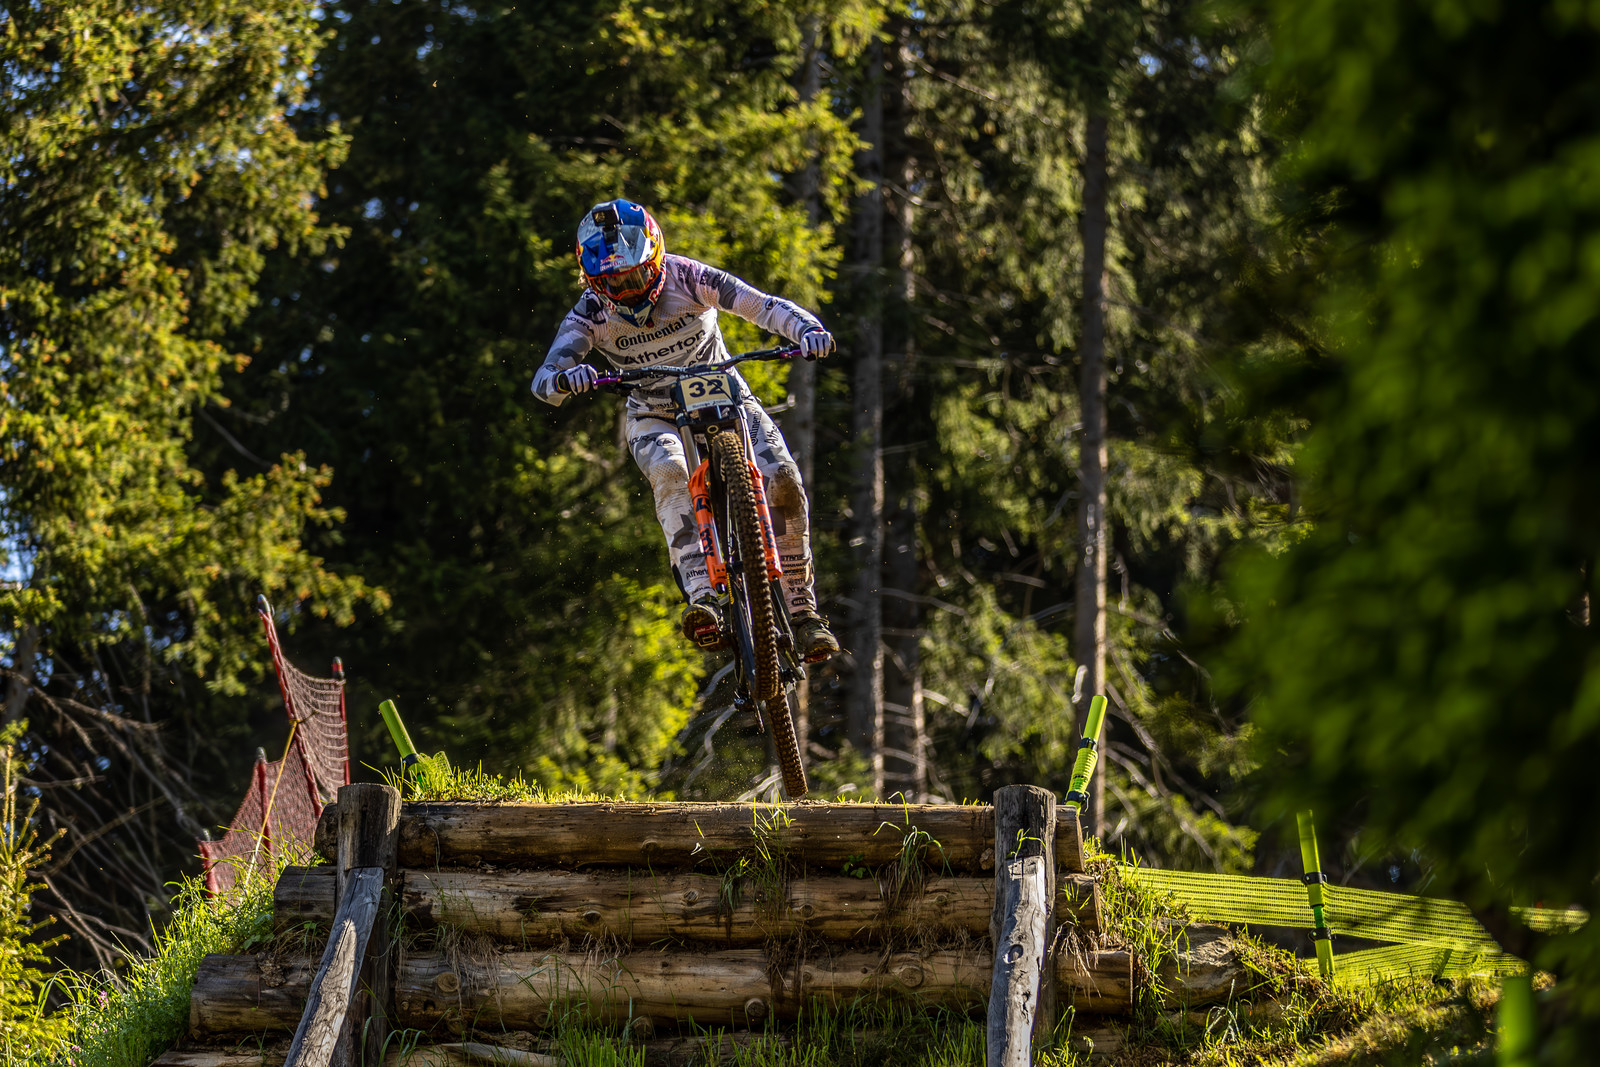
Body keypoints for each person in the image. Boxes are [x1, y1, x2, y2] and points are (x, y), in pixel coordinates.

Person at [531, 198, 841, 661]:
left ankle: (804, 612)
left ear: (656, 259)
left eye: (635, 276)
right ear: (592, 281)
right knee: (671, 471)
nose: (627, 290)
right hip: (653, 413)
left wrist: (806, 330)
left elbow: (764, 307)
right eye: (612, 283)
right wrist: (565, 377)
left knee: (784, 481)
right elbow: (543, 380)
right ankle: (703, 598)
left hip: (728, 394)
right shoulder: (591, 314)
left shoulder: (690, 277)